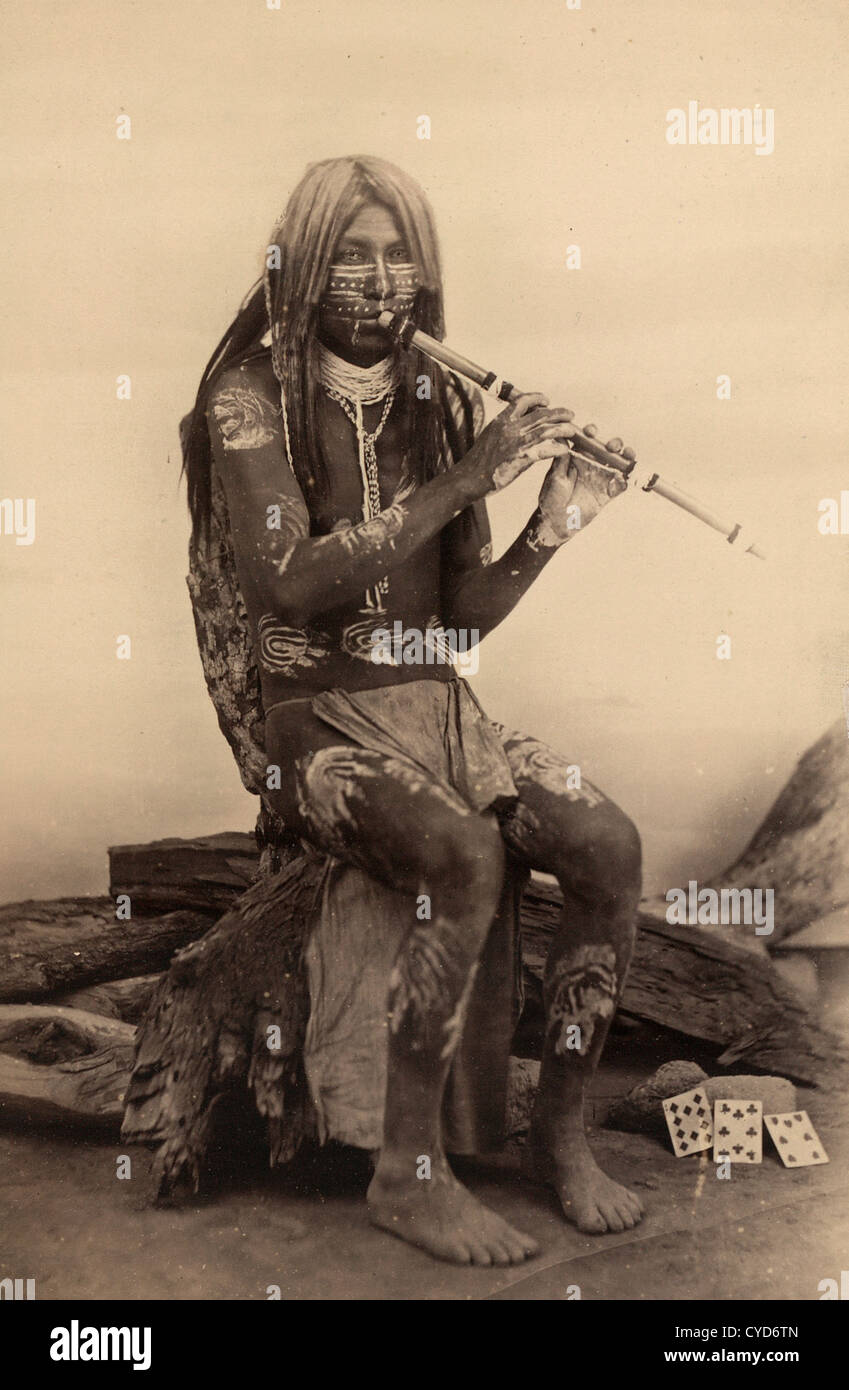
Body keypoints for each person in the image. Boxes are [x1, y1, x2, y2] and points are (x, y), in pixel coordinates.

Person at [182, 156, 644, 1266]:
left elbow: (459, 627)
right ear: (299, 263)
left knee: (608, 844)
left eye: (401, 256)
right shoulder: (248, 392)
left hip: (436, 703)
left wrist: (553, 519)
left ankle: (561, 1137)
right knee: (466, 856)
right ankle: (408, 1170)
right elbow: (290, 581)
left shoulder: (437, 398)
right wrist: (474, 476)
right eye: (353, 251)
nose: (381, 280)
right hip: (318, 723)